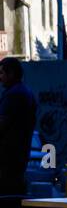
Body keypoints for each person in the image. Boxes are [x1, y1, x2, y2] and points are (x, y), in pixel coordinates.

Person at [0, 57, 37, 197]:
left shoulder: (13, 95)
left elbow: (2, 124)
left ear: (12, 74)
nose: (0, 77)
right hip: (19, 155)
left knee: (7, 197)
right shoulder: (25, 92)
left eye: (2, 73)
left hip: (8, 157)